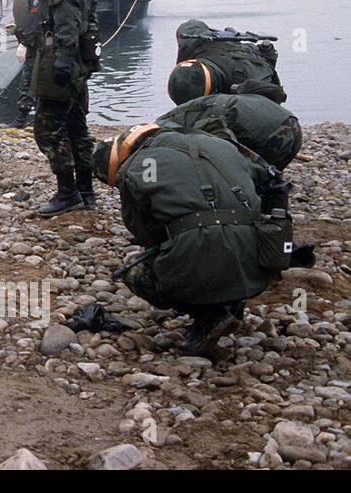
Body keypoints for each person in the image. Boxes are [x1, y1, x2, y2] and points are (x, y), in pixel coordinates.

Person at [92, 124, 310, 356]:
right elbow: (272, 183)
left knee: (135, 271)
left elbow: (146, 234)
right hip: (262, 263)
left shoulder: (135, 168)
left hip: (199, 258)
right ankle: (231, 301)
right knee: (221, 243)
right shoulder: (220, 143)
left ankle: (209, 315)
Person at [21, 0, 100, 215]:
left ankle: (67, 192)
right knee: (76, 123)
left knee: (48, 128)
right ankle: (85, 191)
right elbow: (90, 8)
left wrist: (64, 58)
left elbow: (66, 15)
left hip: (60, 54)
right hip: (79, 53)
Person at [156, 93, 301, 212]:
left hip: (267, 133)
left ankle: (265, 228)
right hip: (287, 121)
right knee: (266, 178)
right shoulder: (170, 123)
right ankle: (277, 224)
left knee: (244, 179)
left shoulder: (164, 138)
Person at [169, 19, 286, 103]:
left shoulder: (250, 75)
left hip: (246, 71)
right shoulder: (195, 41)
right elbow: (191, 25)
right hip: (214, 45)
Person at [10, 0, 43, 127]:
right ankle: (24, 118)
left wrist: (26, 42)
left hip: (42, 45)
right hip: (32, 44)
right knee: (28, 80)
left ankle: (27, 119)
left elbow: (37, 23)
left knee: (34, 81)